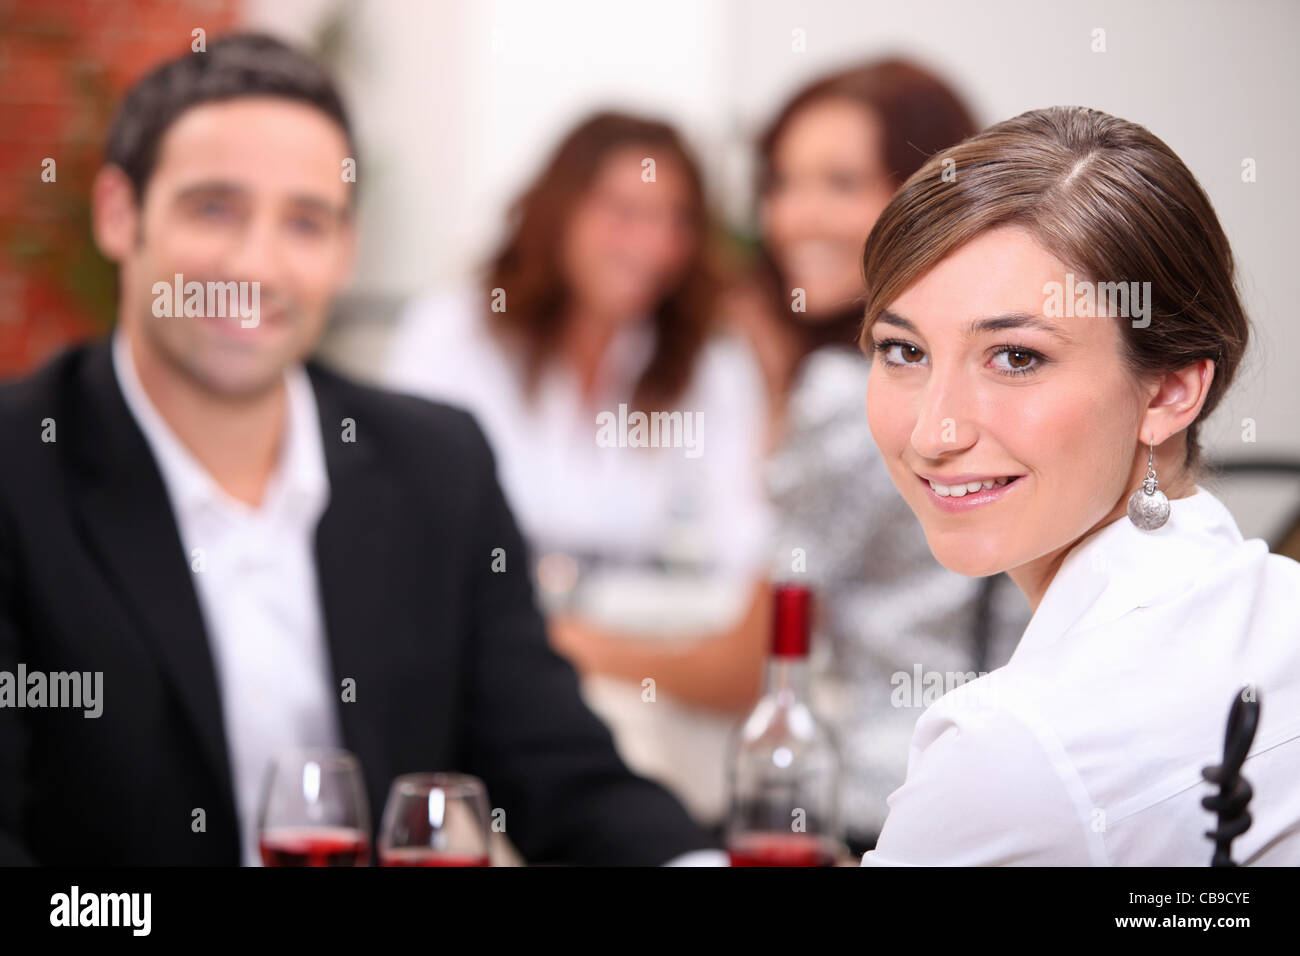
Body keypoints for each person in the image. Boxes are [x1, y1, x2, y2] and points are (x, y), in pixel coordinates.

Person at [0, 32, 719, 867]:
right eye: (214, 209)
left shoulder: (437, 466)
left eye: (304, 222)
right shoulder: (19, 468)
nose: (256, 266)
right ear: (120, 215)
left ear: (346, 249)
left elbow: (560, 771)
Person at [857, 105, 1300, 865]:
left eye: (1016, 358)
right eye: (903, 350)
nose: (935, 433)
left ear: (1167, 393)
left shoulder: (1009, 750)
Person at [383, 112, 773, 713]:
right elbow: (405, 535)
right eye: (624, 214)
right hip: (472, 662)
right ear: (559, 213)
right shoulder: (453, 335)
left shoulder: (709, 369)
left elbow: (745, 556)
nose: (653, 246)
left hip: (640, 677)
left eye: (675, 220)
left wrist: (602, 649)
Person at [741, 58, 1032, 854]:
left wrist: (575, 640)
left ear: (929, 195)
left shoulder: (845, 390)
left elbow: (762, 651)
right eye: (782, 182)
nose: (797, 217)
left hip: (882, 792)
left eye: (841, 183)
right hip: (1010, 770)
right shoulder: (1008, 362)